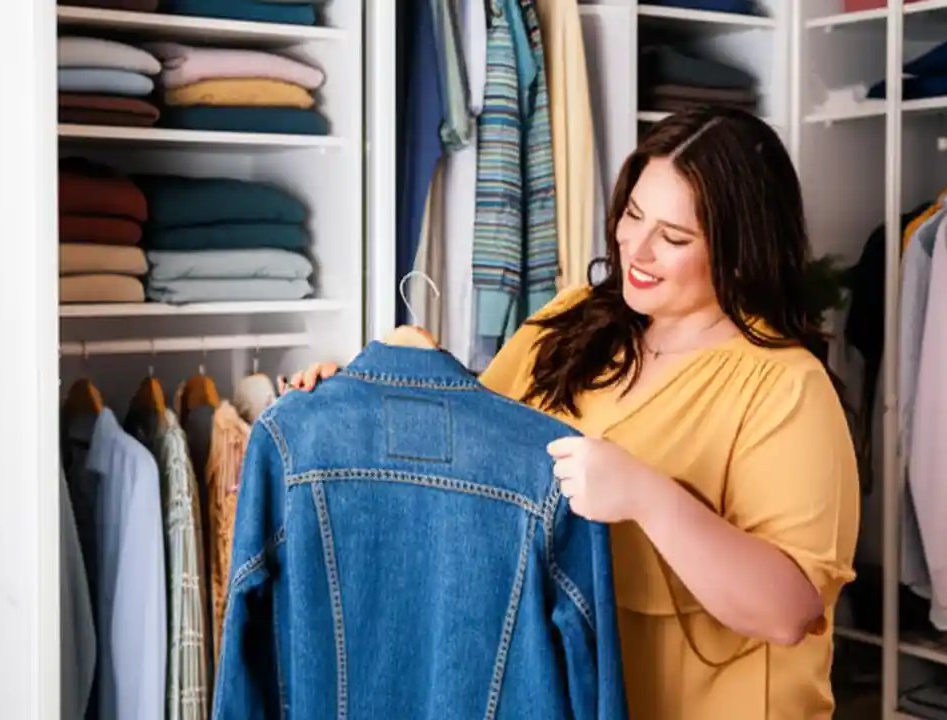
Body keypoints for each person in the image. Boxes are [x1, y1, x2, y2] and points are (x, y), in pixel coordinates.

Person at [289, 106, 860, 719]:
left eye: (673, 237)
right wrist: (367, 396)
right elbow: (477, 452)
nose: (635, 248)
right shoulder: (574, 323)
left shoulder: (785, 389)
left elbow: (788, 610)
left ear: (742, 253)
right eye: (633, 214)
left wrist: (648, 496)